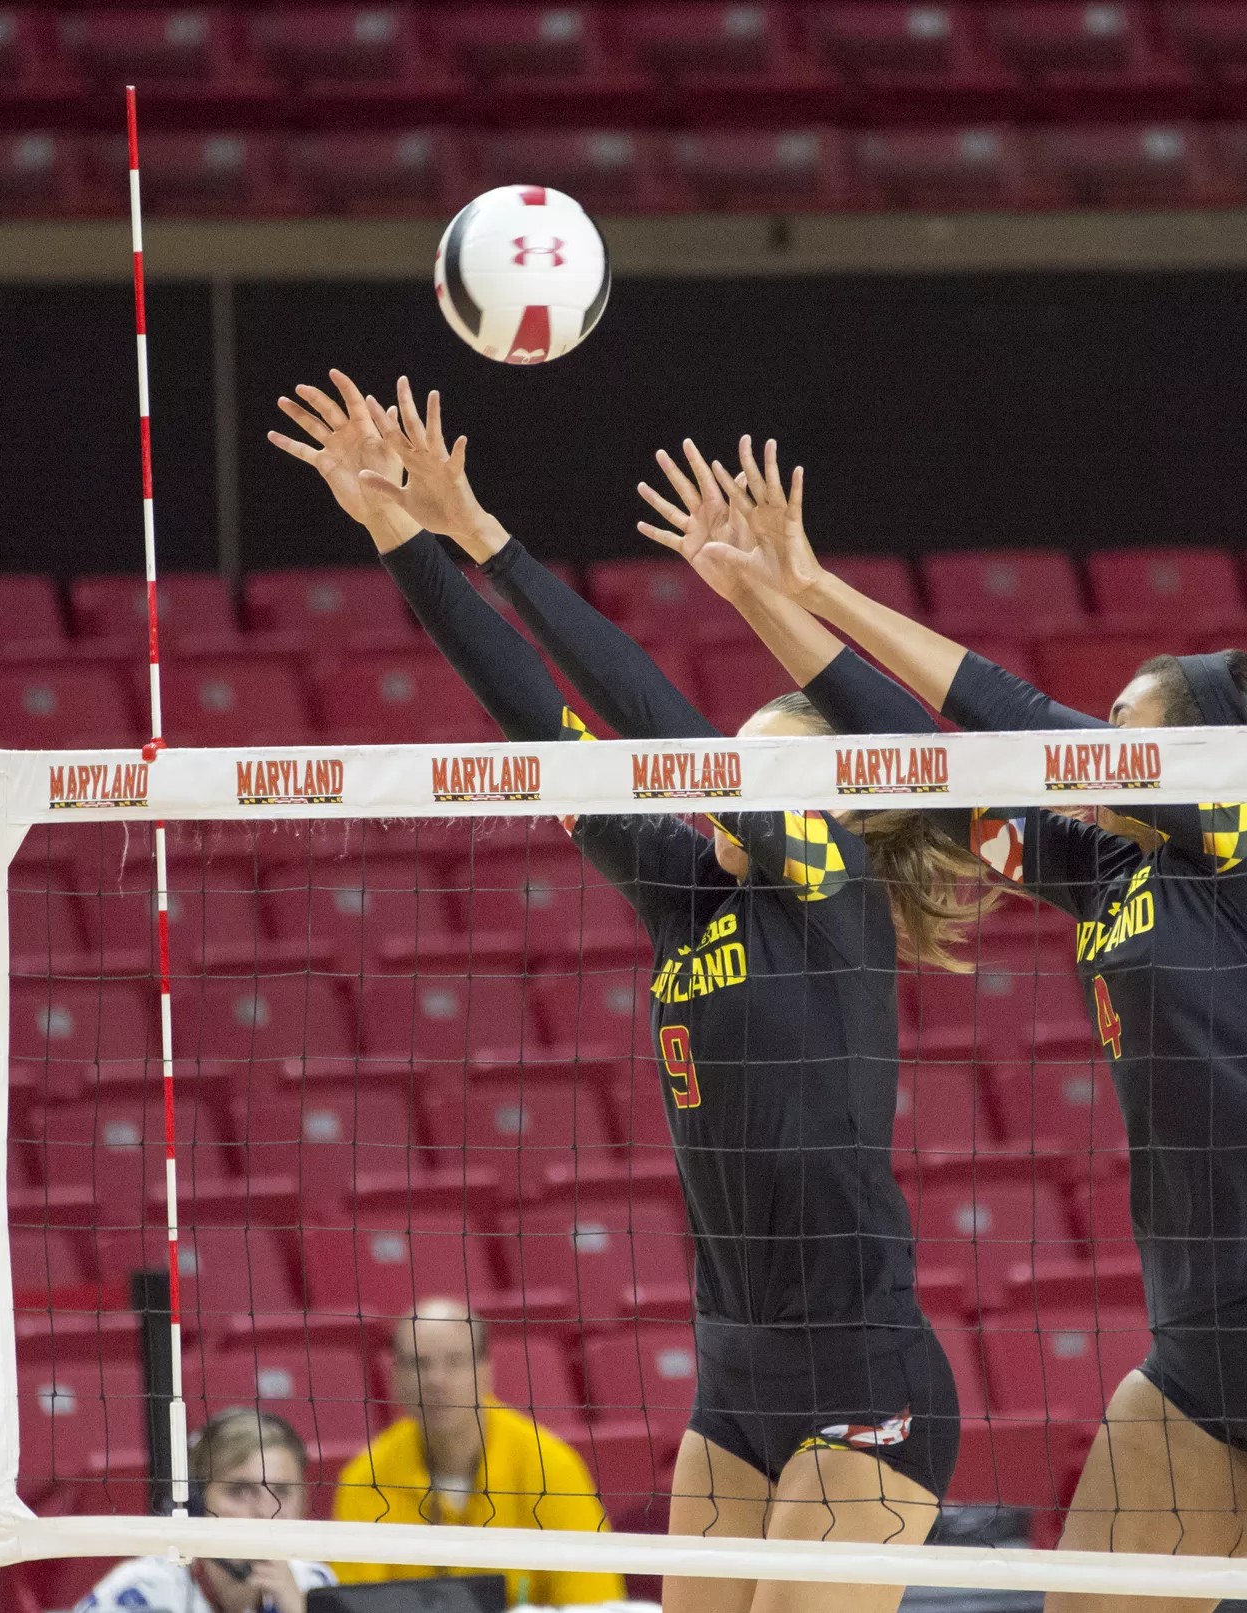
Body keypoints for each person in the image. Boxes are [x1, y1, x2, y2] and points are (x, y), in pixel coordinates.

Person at [638, 441, 1247, 1613]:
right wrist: (766, 593)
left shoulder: (1246, 836)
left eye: (1120, 723)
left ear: (1194, 754)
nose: (1087, 737)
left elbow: (1009, 713)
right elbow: (924, 761)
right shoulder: (1099, 870)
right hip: (1192, 1344)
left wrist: (822, 583)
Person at [270, 372, 979, 1613]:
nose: (722, 776)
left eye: (764, 760)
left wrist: (491, 535)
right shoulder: (680, 889)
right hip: (736, 1377)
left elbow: (649, 715)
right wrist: (400, 529)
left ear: (826, 800)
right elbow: (539, 714)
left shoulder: (833, 884)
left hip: (866, 1371)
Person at [328, 1300, 624, 1605]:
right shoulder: (366, 1477)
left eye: (455, 1362)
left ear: (485, 1371)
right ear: (395, 1377)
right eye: (419, 1364)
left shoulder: (550, 1467)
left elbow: (595, 1602)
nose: (436, 1381)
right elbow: (354, 1604)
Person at [74, 1410, 335, 1613]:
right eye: (240, 1491)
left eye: (282, 1491)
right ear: (196, 1503)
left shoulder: (313, 1583)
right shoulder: (139, 1592)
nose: (265, 1511)